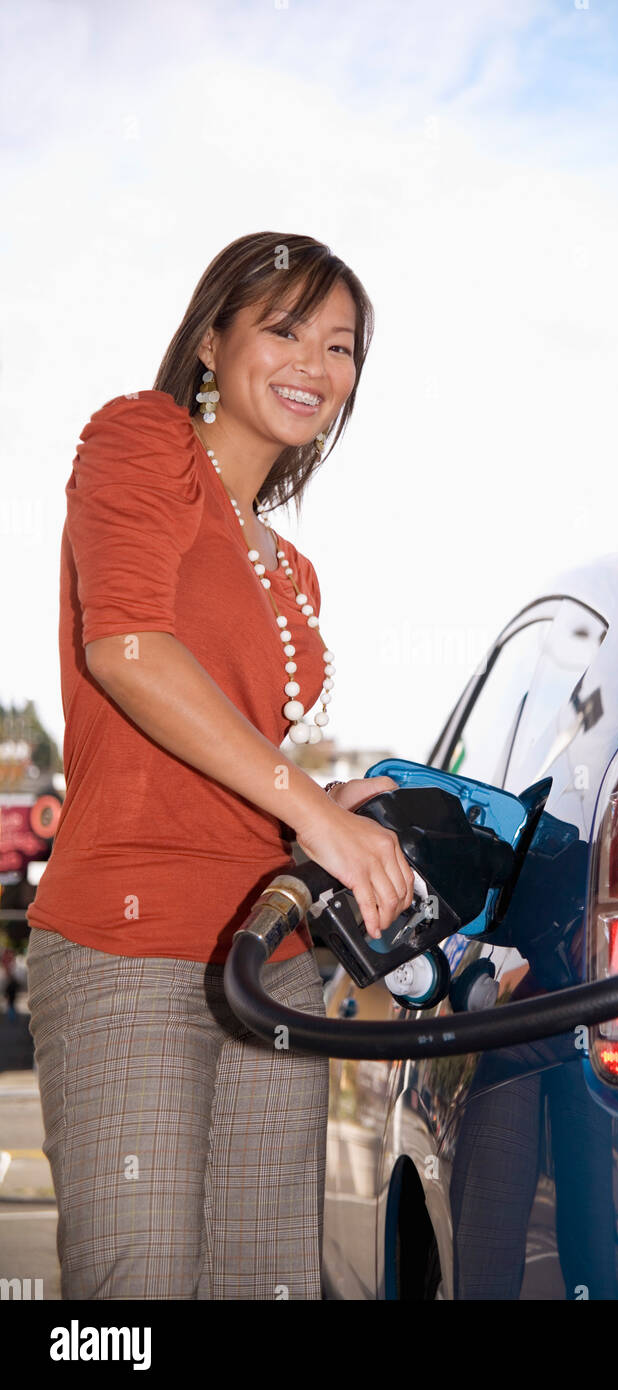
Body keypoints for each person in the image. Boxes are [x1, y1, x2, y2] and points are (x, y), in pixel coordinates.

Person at [25, 231, 416, 1300]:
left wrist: (314, 813)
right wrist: (318, 818)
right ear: (210, 339)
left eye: (339, 347)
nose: (313, 365)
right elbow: (129, 650)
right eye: (284, 328)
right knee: (135, 1290)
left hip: (267, 954)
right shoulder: (140, 442)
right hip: (129, 938)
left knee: (264, 1282)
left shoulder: (293, 570)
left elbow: (232, 755)